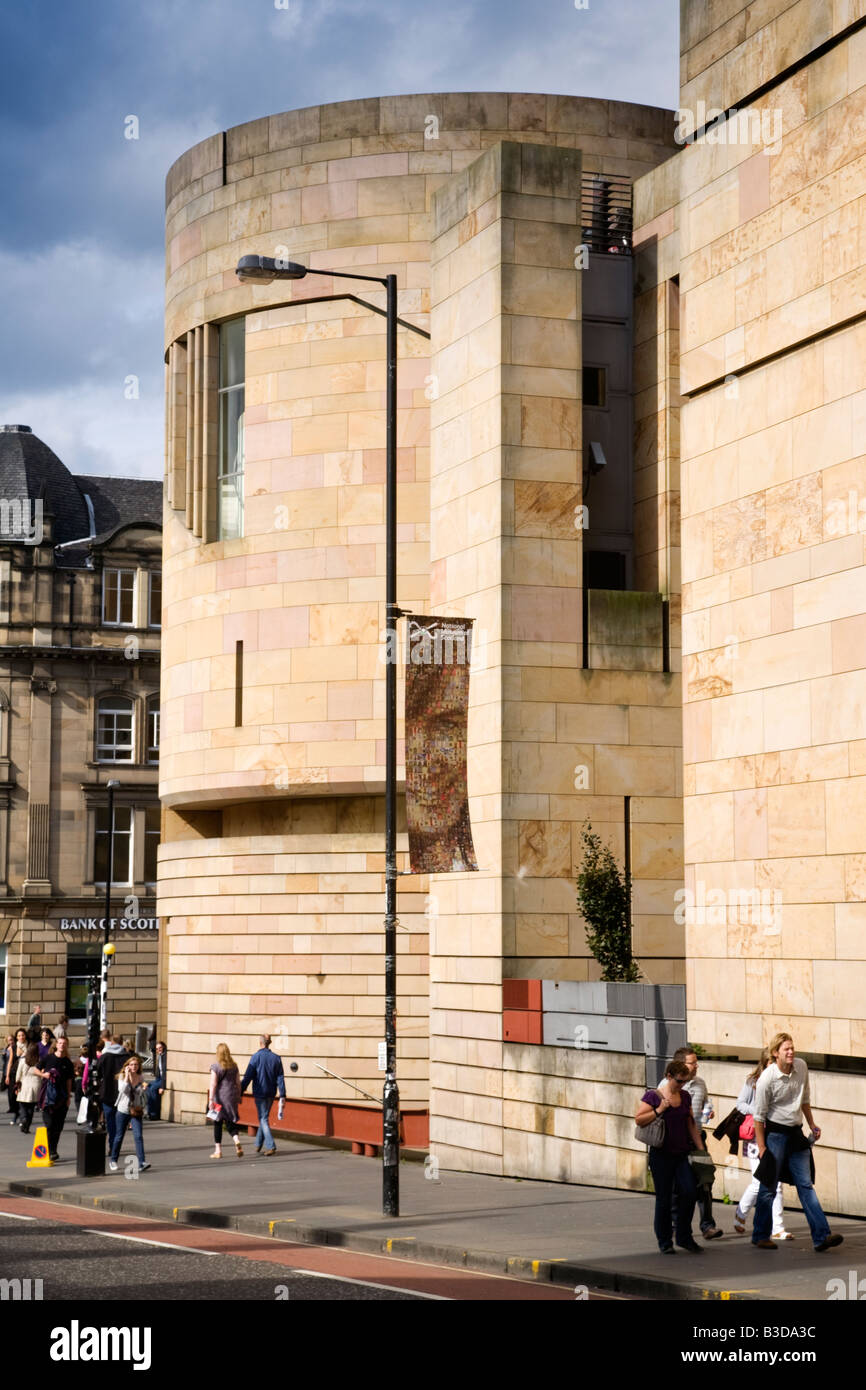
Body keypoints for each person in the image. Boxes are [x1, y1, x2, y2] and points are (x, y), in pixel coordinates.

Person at [752, 1033, 842, 1254]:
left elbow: (805, 1099)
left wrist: (811, 1124)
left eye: (792, 1048)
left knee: (805, 1185)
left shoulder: (801, 1066)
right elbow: (758, 1117)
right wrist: (762, 1147)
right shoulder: (767, 1078)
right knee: (768, 1188)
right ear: (775, 1053)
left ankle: (822, 1237)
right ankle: (761, 1235)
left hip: (796, 1134)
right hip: (774, 1135)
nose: (791, 1052)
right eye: (786, 1049)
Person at [636, 1057, 707, 1253]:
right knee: (664, 1199)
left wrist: (701, 1150)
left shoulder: (685, 1097)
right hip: (661, 1156)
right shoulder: (653, 1096)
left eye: (684, 1081)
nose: (681, 1084)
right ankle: (665, 1241)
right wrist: (659, 1110)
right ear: (668, 1077)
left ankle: (684, 1237)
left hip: (681, 1154)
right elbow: (639, 1119)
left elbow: (690, 1123)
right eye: (678, 1081)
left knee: (690, 1192)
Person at [731, 1050, 790, 1240]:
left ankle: (777, 1227)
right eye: (770, 1063)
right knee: (759, 1182)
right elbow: (740, 1104)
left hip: (775, 1135)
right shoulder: (753, 1081)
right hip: (755, 1138)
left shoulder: (782, 1080)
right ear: (764, 1063)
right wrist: (758, 1110)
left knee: (777, 1183)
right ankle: (741, 1213)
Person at [665, 1046, 723, 1240]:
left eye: (696, 1062)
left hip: (697, 1138)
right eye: (692, 1062)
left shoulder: (700, 1083)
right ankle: (674, 1225)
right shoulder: (666, 1085)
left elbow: (706, 1102)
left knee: (704, 1182)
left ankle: (708, 1226)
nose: (696, 1066)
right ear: (681, 1065)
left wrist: (708, 1110)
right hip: (676, 1142)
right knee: (676, 1187)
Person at [240, 1034, 285, 1156]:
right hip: (271, 1092)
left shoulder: (255, 1057)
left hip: (260, 1093)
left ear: (260, 1043)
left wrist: (240, 1090)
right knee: (263, 1117)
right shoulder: (276, 1058)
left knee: (263, 1118)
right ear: (269, 1043)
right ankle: (258, 1144)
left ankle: (271, 1146)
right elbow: (280, 1078)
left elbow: (248, 1076)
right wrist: (283, 1095)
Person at [109, 1055, 150, 1173]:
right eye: (131, 1065)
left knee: (138, 1136)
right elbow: (122, 1090)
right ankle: (113, 1160)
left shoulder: (140, 1077)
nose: (134, 1067)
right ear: (127, 1066)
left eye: (136, 1065)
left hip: (135, 1111)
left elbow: (140, 1093)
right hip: (123, 1110)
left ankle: (142, 1162)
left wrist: (143, 1088)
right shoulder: (122, 1076)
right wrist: (127, 1076)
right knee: (119, 1136)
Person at [38, 1036, 75, 1163]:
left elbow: (69, 1080)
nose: (62, 1045)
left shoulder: (68, 1063)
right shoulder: (48, 1058)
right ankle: (47, 1150)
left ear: (66, 1045)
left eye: (64, 1043)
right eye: (60, 1043)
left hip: (62, 1098)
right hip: (48, 1098)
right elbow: (34, 1069)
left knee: (58, 1127)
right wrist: (43, 1074)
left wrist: (69, 1097)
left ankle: (53, 1150)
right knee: (49, 1125)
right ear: (56, 1045)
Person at [208, 1043, 244, 1159]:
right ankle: (236, 1140)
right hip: (231, 1097)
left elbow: (213, 1084)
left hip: (219, 1098)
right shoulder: (234, 1066)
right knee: (230, 1122)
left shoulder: (215, 1067)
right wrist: (238, 1096)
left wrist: (210, 1099)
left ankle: (218, 1151)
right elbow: (238, 1083)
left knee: (217, 1123)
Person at [94, 1033, 128, 1154]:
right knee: (121, 1122)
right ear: (122, 1042)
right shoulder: (127, 1057)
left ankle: (112, 1145)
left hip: (107, 1092)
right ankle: (116, 1145)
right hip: (123, 1093)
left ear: (111, 1043)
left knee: (110, 1121)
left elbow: (96, 1073)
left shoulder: (104, 1057)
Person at [16, 1042, 43, 1134]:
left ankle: (23, 1118)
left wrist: (17, 1083)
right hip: (36, 1084)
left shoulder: (23, 1061)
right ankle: (27, 1126)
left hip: (25, 1084)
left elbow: (18, 1074)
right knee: (31, 1107)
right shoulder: (39, 1061)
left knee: (23, 1105)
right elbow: (41, 1073)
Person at [6, 1031, 27, 1123]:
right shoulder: (12, 1048)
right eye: (19, 1035)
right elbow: (10, 1062)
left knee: (21, 1094)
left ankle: (22, 1116)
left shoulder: (29, 1046)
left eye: (22, 1035)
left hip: (24, 1073)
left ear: (25, 1036)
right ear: (16, 1037)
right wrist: (7, 1075)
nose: (21, 1037)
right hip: (14, 1073)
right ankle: (16, 1112)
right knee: (12, 1095)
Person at [146, 1041, 167, 1120]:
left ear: (164, 1047)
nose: (159, 1050)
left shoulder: (166, 1056)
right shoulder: (160, 1056)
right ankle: (149, 1112)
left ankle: (154, 1114)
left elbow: (165, 1072)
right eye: (157, 1049)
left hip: (164, 1079)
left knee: (153, 1088)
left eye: (160, 1048)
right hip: (159, 1078)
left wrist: (162, 1086)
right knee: (148, 1086)